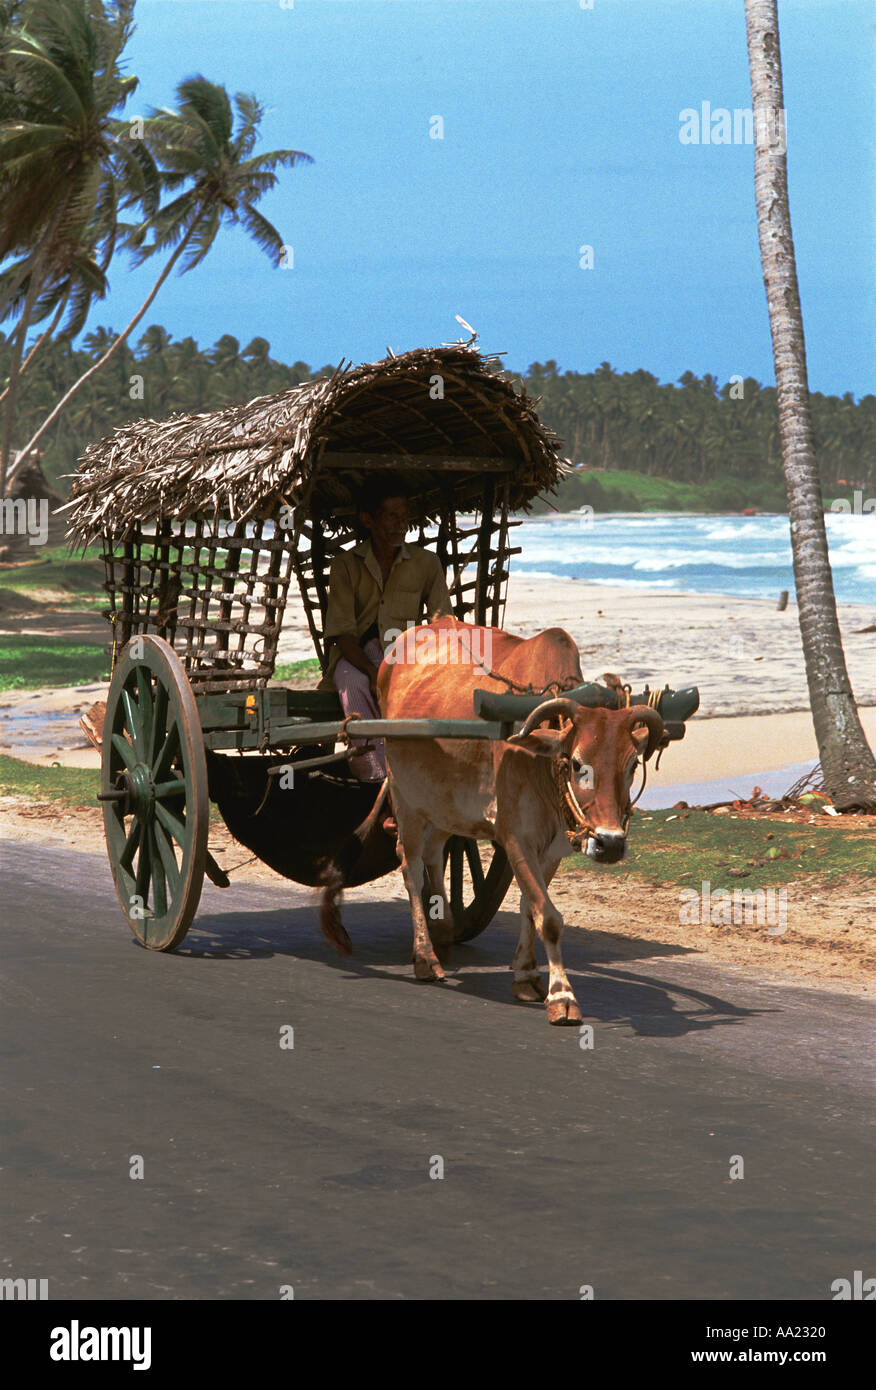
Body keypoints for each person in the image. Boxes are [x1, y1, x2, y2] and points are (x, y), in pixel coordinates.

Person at [323, 477, 452, 780]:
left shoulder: (426, 564)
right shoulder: (345, 565)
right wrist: (372, 672)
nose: (400, 525)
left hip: (404, 656)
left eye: (404, 517)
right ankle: (374, 774)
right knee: (352, 684)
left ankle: (415, 771)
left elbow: (442, 623)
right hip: (356, 659)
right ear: (368, 520)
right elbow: (342, 633)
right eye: (391, 516)